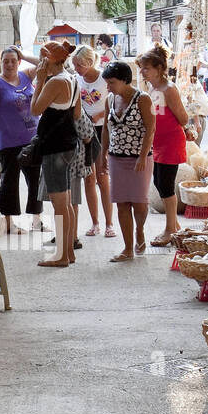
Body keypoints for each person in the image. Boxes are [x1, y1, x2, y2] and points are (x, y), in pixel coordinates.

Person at [0, 47, 45, 234]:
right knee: (10, 182)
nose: (9, 64)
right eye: (5, 61)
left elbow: (45, 63)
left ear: (18, 62)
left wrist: (24, 55)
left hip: (32, 139)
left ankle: (37, 220)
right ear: (0, 63)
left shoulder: (26, 76)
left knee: (35, 181)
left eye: (13, 60)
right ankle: (9, 223)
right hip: (8, 142)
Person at [30, 40, 81, 267]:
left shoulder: (55, 82)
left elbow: (35, 110)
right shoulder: (73, 79)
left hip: (55, 146)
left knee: (59, 203)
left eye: (43, 59)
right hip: (69, 143)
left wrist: (40, 81)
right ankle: (68, 251)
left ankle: (61, 254)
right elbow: (77, 113)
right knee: (66, 201)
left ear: (48, 60)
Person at [138, 44, 193, 246]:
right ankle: (174, 225)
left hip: (170, 143)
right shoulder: (152, 89)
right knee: (161, 184)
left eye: (146, 68)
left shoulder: (169, 89)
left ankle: (170, 228)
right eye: (142, 68)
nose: (143, 72)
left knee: (166, 186)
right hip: (158, 144)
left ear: (159, 68)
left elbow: (183, 117)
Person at [102, 60, 155, 262]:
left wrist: (142, 156)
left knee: (139, 203)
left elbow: (151, 129)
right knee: (121, 203)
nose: (108, 86)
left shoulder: (143, 99)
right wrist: (103, 155)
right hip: (116, 158)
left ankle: (139, 231)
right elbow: (107, 130)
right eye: (107, 83)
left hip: (138, 159)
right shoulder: (109, 99)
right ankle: (127, 248)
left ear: (125, 81)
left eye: (112, 82)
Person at [73, 45, 115, 238]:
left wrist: (99, 114)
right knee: (88, 178)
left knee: (102, 177)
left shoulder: (104, 78)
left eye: (79, 65)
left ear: (89, 63)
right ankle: (95, 223)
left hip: (101, 128)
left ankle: (109, 223)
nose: (76, 69)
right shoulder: (76, 80)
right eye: (75, 65)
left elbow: (113, 105)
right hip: (83, 130)